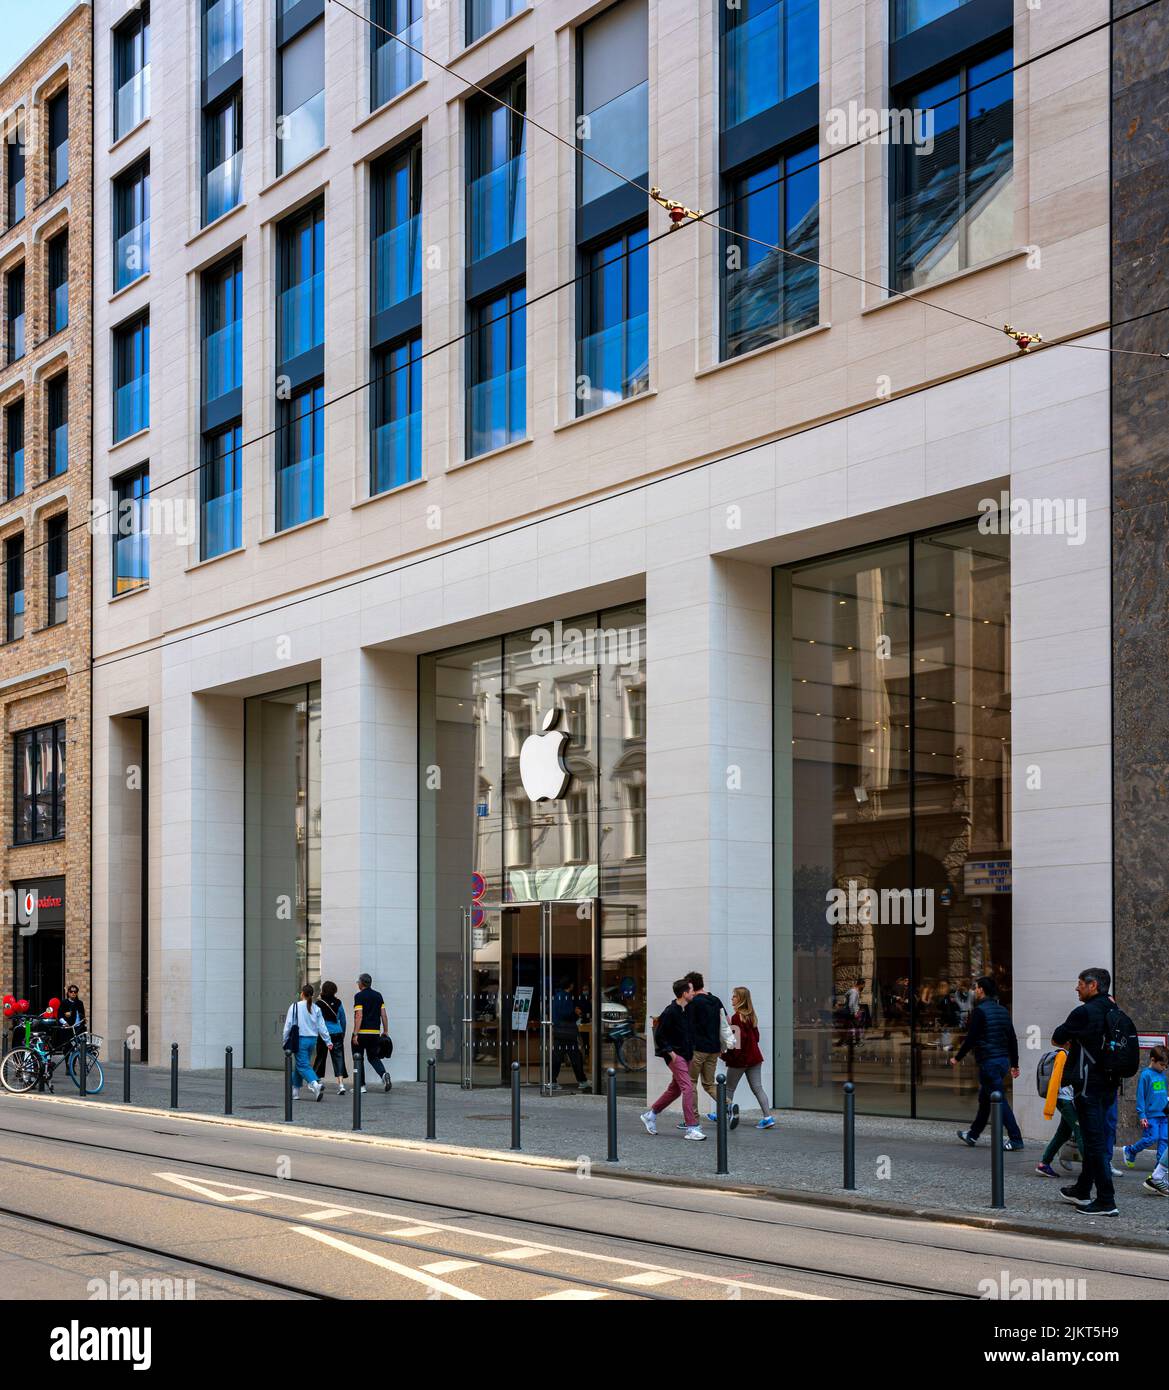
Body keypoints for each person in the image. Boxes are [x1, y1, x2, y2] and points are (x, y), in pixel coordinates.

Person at [1052, 966, 1123, 1216]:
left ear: (1093, 986)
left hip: (1087, 1087)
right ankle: (1082, 1190)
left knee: (1094, 1144)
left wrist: (1075, 1040)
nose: (1077, 988)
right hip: (1109, 1084)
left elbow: (1057, 1037)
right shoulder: (1114, 1009)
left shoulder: (1084, 1012)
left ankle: (1106, 1200)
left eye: (1080, 983)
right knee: (1097, 1139)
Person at [950, 976, 1023, 1150]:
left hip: (989, 1061)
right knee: (985, 1100)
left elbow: (971, 1038)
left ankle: (1016, 1138)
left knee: (999, 1100)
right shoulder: (1003, 1010)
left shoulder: (980, 1011)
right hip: (1002, 1061)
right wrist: (1014, 1064)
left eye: (976, 988)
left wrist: (957, 1057)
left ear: (981, 990)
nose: (974, 991)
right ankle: (973, 1135)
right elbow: (1012, 1038)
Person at [640, 979, 703, 1140]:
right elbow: (659, 1036)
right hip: (676, 1056)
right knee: (687, 1088)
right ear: (684, 993)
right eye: (691, 990)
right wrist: (672, 1054)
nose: (693, 993)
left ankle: (651, 1114)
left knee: (675, 1089)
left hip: (687, 1054)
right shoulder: (670, 1012)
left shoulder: (689, 1009)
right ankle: (691, 1128)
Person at [722, 986, 774, 1130]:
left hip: (740, 1060)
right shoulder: (751, 1016)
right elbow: (756, 1037)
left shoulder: (736, 1017)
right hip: (755, 1058)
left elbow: (736, 1043)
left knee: (729, 1089)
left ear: (740, 999)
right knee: (758, 1088)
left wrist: (724, 1056)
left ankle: (723, 1114)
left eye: (734, 996)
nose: (732, 998)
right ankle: (768, 1117)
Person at [1122, 1044, 1169, 1195]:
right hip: (1151, 1115)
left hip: (1164, 1115)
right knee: (1151, 1138)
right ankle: (1130, 1150)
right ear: (1153, 1060)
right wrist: (1142, 1115)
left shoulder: (1162, 1074)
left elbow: (1163, 1094)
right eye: (1162, 1065)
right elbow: (1140, 1097)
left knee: (1164, 1141)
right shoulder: (1146, 1075)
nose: (1164, 1068)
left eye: (1166, 1066)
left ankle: (1158, 1176)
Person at [1036, 1039, 1084, 1178]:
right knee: (1079, 1130)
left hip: (1065, 1100)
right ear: (1069, 1043)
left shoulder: (1066, 1055)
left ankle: (1044, 1164)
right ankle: (1091, 1168)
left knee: (1063, 1133)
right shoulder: (1063, 1055)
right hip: (1065, 1100)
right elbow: (1056, 1080)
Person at [684, 970, 727, 1123]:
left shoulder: (693, 1004)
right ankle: (729, 1105)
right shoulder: (715, 1000)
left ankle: (693, 1119)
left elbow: (686, 1027)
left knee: (691, 1083)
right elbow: (726, 1021)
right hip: (714, 1049)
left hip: (697, 1049)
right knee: (709, 1084)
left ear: (691, 986)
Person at [283, 985, 331, 1101]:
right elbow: (322, 1026)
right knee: (300, 1064)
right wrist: (327, 1040)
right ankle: (295, 1091)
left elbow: (288, 1026)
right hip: (312, 1040)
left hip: (299, 1040)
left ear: (302, 993)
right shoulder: (316, 1008)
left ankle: (315, 1084)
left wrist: (284, 1040)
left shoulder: (295, 1006)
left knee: (302, 1065)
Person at [352, 973, 392, 1093]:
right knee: (373, 1057)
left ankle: (361, 1086)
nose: (357, 984)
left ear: (361, 983)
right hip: (374, 1033)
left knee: (358, 1058)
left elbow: (359, 1016)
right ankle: (383, 1074)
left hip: (362, 1032)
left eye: (358, 982)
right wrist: (385, 1031)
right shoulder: (378, 996)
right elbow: (383, 1014)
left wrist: (355, 1034)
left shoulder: (359, 996)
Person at [550, 978, 590, 1093]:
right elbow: (566, 1013)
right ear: (570, 985)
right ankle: (582, 1081)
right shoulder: (566, 996)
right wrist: (576, 1012)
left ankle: (552, 1081)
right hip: (567, 1031)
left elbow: (554, 1011)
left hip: (558, 1030)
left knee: (558, 1057)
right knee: (575, 1057)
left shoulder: (557, 996)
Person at [314, 981, 349, 1095]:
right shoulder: (338, 1002)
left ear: (323, 990)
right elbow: (343, 1019)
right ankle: (341, 1085)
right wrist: (342, 1032)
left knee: (320, 1057)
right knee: (338, 1058)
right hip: (337, 1033)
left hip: (323, 1034)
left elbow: (315, 1021)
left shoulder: (318, 1004)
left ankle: (317, 1082)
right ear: (335, 990)